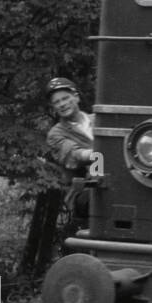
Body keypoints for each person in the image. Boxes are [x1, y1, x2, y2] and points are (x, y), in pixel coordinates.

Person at [45, 77, 96, 222]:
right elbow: (73, 155)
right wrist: (97, 153)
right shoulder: (55, 134)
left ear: (76, 97)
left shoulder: (100, 120)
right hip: (85, 192)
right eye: (57, 102)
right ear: (53, 107)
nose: (62, 104)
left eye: (65, 98)